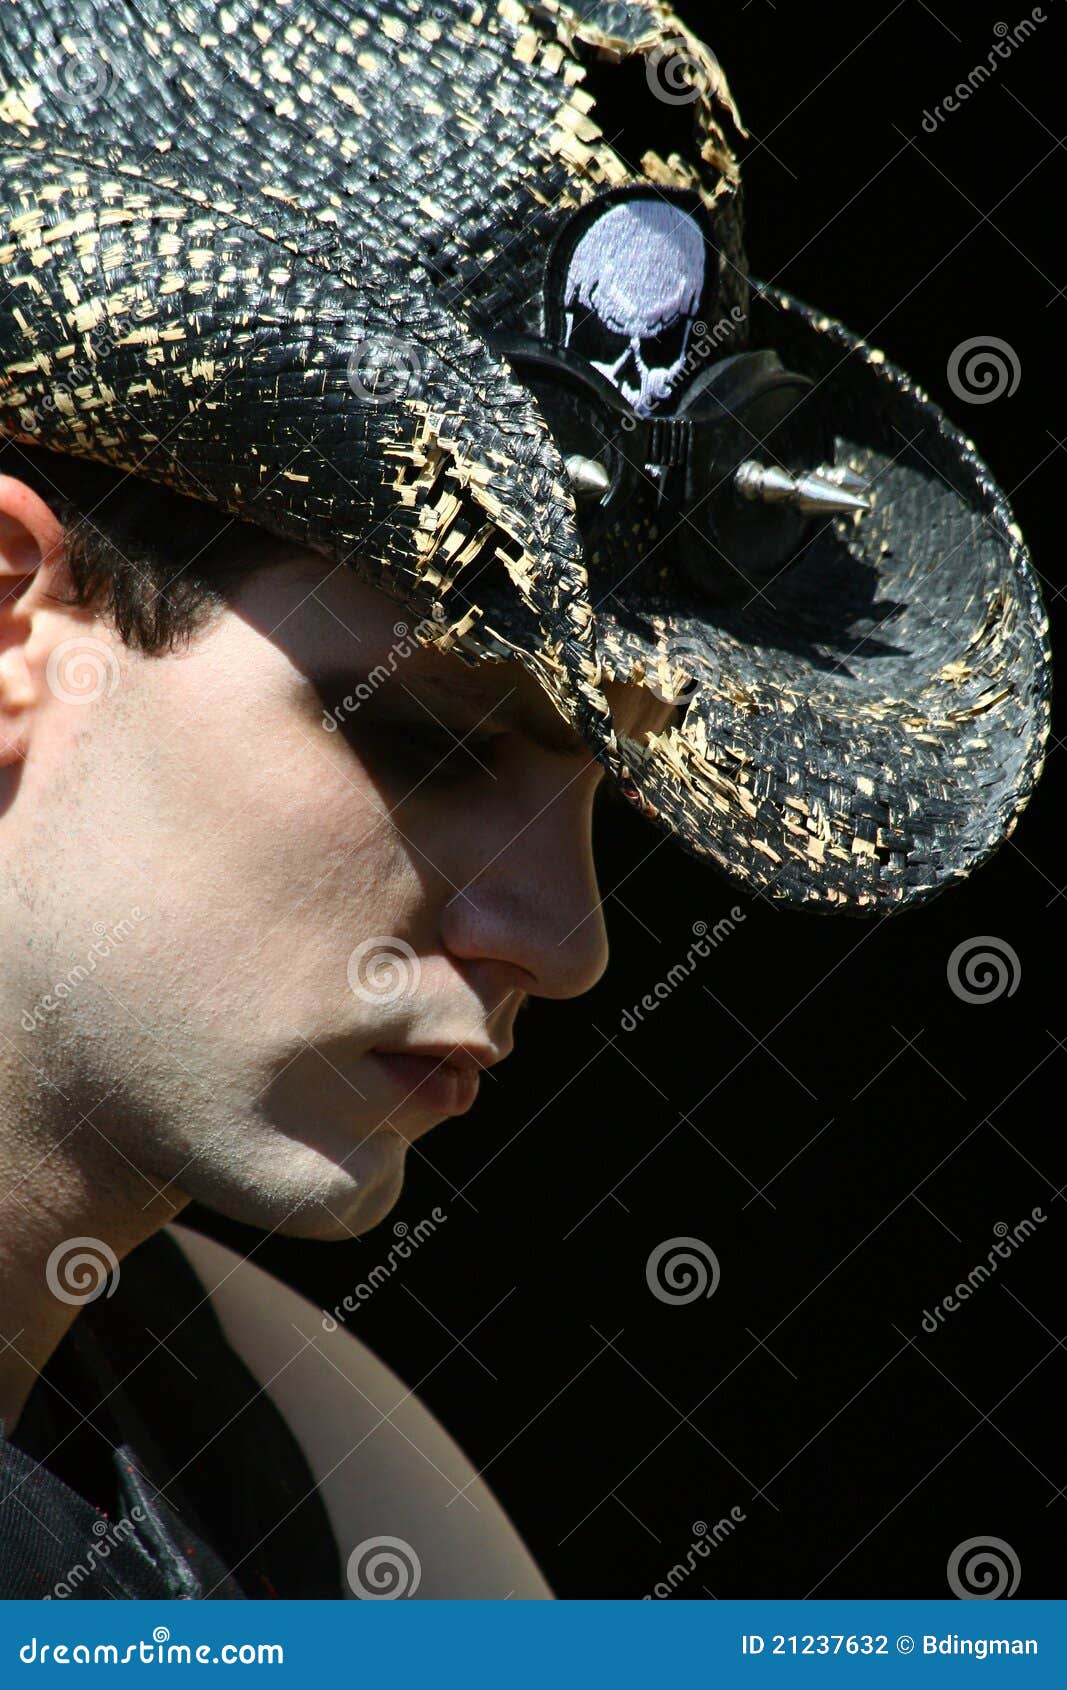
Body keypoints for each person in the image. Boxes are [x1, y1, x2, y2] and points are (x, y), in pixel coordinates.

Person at [0, 0, 1049, 1599]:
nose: (566, 943)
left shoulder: (320, 1493)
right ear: (19, 621)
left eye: (600, 788)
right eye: (429, 737)